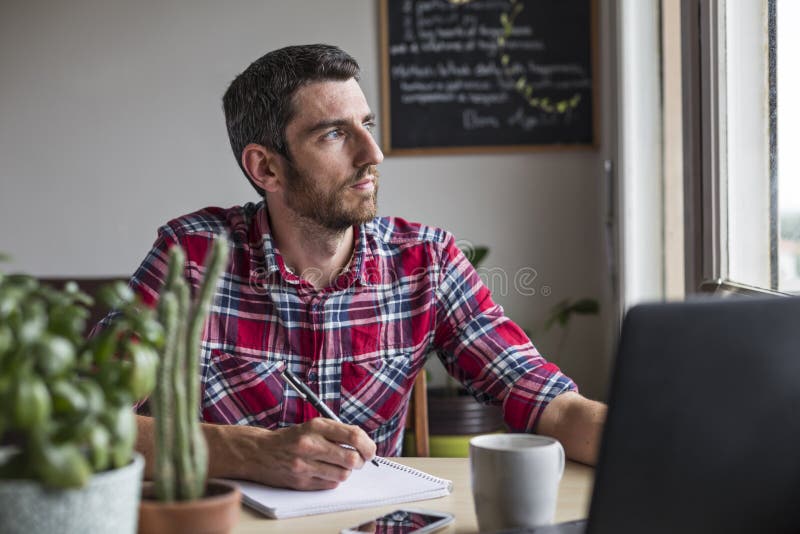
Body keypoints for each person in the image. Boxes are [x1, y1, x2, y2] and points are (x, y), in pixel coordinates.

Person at [128, 44, 606, 491]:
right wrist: (252, 453)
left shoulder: (427, 262)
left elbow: (551, 404)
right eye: (335, 134)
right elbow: (86, 422)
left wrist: (665, 443)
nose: (373, 154)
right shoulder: (189, 258)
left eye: (367, 126)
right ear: (266, 168)